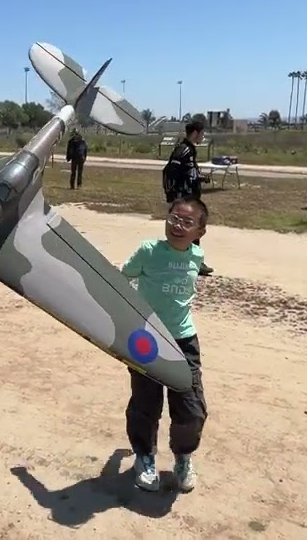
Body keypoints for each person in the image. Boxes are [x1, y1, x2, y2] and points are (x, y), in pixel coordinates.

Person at [119, 196, 210, 494]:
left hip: (184, 341)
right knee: (145, 404)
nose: (178, 226)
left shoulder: (197, 256)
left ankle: (183, 457)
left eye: (187, 222)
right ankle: (144, 457)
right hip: (147, 339)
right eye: (174, 218)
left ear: (199, 231)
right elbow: (122, 278)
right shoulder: (149, 251)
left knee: (191, 407)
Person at [161, 120, 213, 276]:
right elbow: (169, 172)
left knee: (192, 229)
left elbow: (187, 172)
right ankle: (192, 263)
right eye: (202, 134)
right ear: (195, 133)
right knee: (187, 229)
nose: (203, 137)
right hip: (184, 199)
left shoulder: (190, 151)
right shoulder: (182, 150)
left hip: (191, 197)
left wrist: (199, 178)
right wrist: (172, 195)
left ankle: (193, 261)